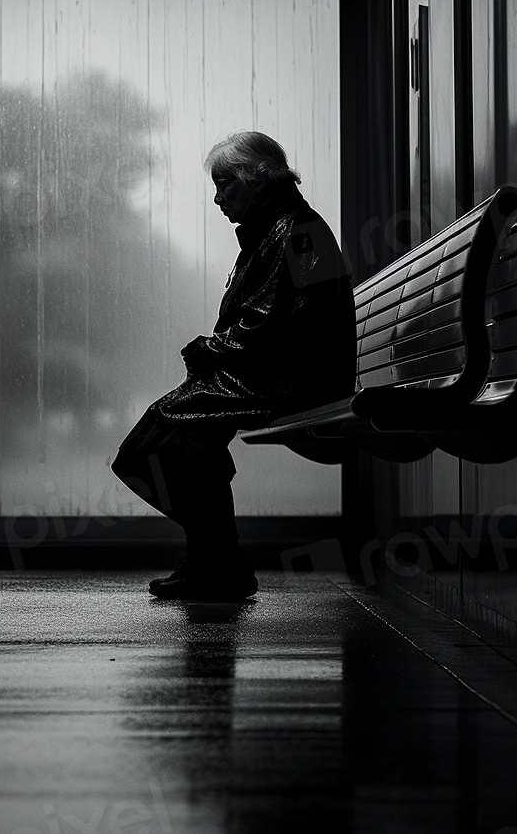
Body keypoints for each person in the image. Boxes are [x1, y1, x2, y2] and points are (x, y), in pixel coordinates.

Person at [111, 130, 356, 601]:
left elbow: (289, 325)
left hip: (297, 378)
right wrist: (217, 350)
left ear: (259, 178)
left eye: (225, 183)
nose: (218, 198)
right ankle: (217, 560)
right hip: (280, 371)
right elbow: (277, 319)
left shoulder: (298, 231)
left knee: (162, 441)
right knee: (167, 445)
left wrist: (213, 351)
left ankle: (218, 561)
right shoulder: (279, 228)